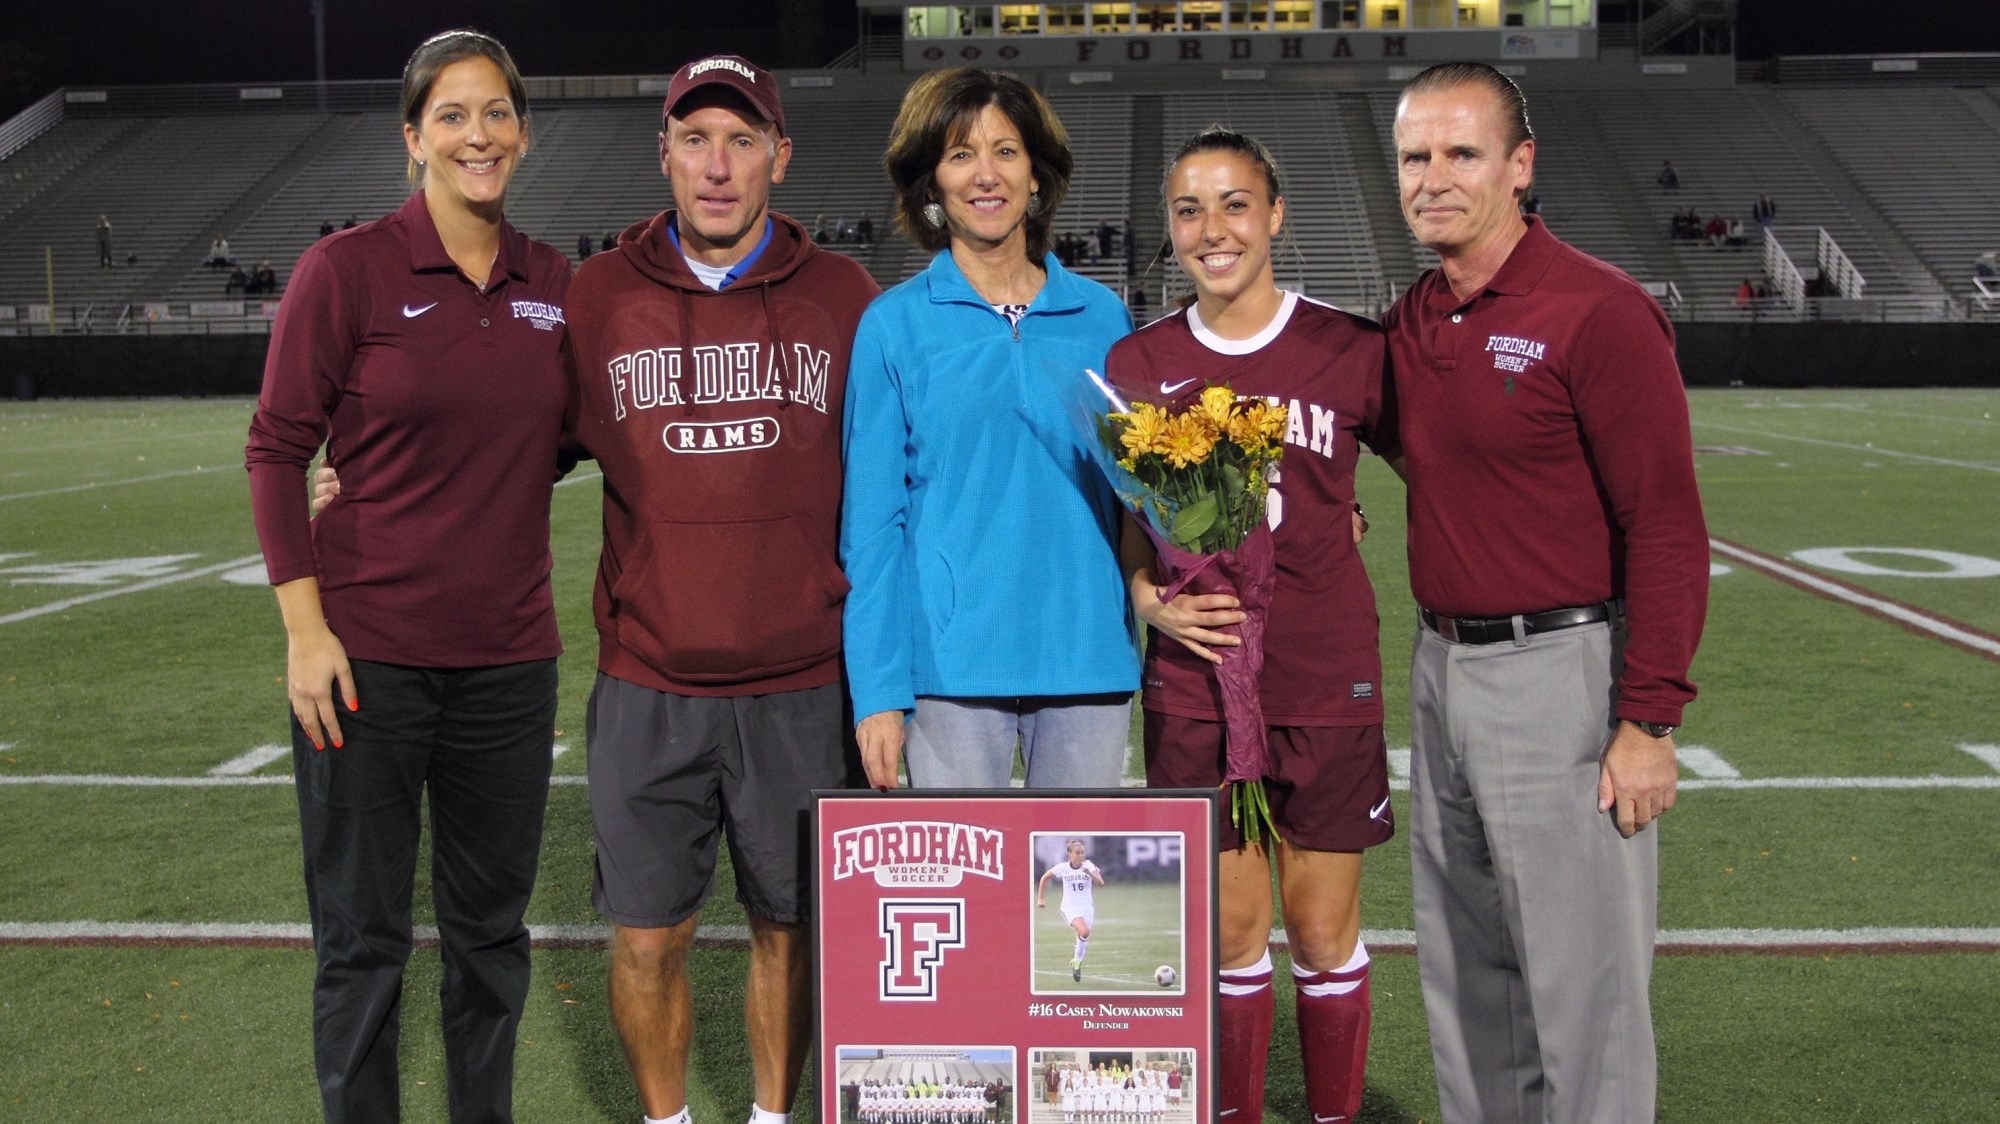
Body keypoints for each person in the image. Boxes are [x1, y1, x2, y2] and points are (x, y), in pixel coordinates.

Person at [244, 29, 568, 1123]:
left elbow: (567, 438)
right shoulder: (345, 270)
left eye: (494, 114)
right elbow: (276, 448)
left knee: (489, 939)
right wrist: (305, 630)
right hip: (363, 657)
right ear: (413, 137)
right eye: (451, 115)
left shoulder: (554, 282)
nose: (476, 134)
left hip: (509, 664)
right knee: (360, 938)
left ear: (521, 133)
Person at [1385, 62, 1708, 1123]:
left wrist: (1647, 715)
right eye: (1413, 156)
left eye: (1459, 153)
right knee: (1466, 974)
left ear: (1520, 165)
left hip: (1561, 674)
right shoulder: (1416, 314)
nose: (1431, 177)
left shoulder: (1597, 311)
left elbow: (1663, 522)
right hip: (1439, 670)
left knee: (1584, 991)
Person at [562, 54, 878, 1124]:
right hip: (648, 675)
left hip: (801, 676)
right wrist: (352, 472)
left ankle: (772, 1116)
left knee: (791, 928)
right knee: (648, 936)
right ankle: (667, 1119)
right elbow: (500, 438)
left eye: (742, 139)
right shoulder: (596, 296)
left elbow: (904, 468)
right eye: (694, 138)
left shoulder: (844, 296)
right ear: (663, 154)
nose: (716, 164)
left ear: (779, 158)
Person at [1108, 126, 1393, 1124]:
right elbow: (1132, 524)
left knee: (1319, 930)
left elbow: (1447, 477)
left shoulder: (1353, 351)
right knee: (1229, 935)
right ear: (1169, 229)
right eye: (1187, 208)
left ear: (1274, 214)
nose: (1211, 227)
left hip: (1321, 672)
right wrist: (1150, 603)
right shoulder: (1137, 361)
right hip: (1196, 680)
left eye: (1233, 203)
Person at [842, 67, 1138, 792]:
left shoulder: (1104, 318)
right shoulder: (892, 324)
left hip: (1087, 658)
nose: (986, 175)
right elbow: (872, 527)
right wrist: (879, 690)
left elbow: (1140, 501)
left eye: (1006, 151)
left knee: (1078, 901)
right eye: (960, 154)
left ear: (1036, 174)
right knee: (963, 898)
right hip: (946, 672)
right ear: (931, 184)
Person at [1035, 838, 1104, 983]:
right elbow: (1044, 878)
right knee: (1084, 931)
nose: (1080, 856)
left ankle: (1077, 962)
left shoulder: (1088, 865)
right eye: (1077, 853)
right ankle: (1077, 960)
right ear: (1070, 855)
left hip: (1087, 907)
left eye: (1082, 853)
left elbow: (1101, 883)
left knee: (1083, 935)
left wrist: (1090, 873)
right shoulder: (1062, 868)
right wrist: (1041, 898)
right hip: (1069, 907)